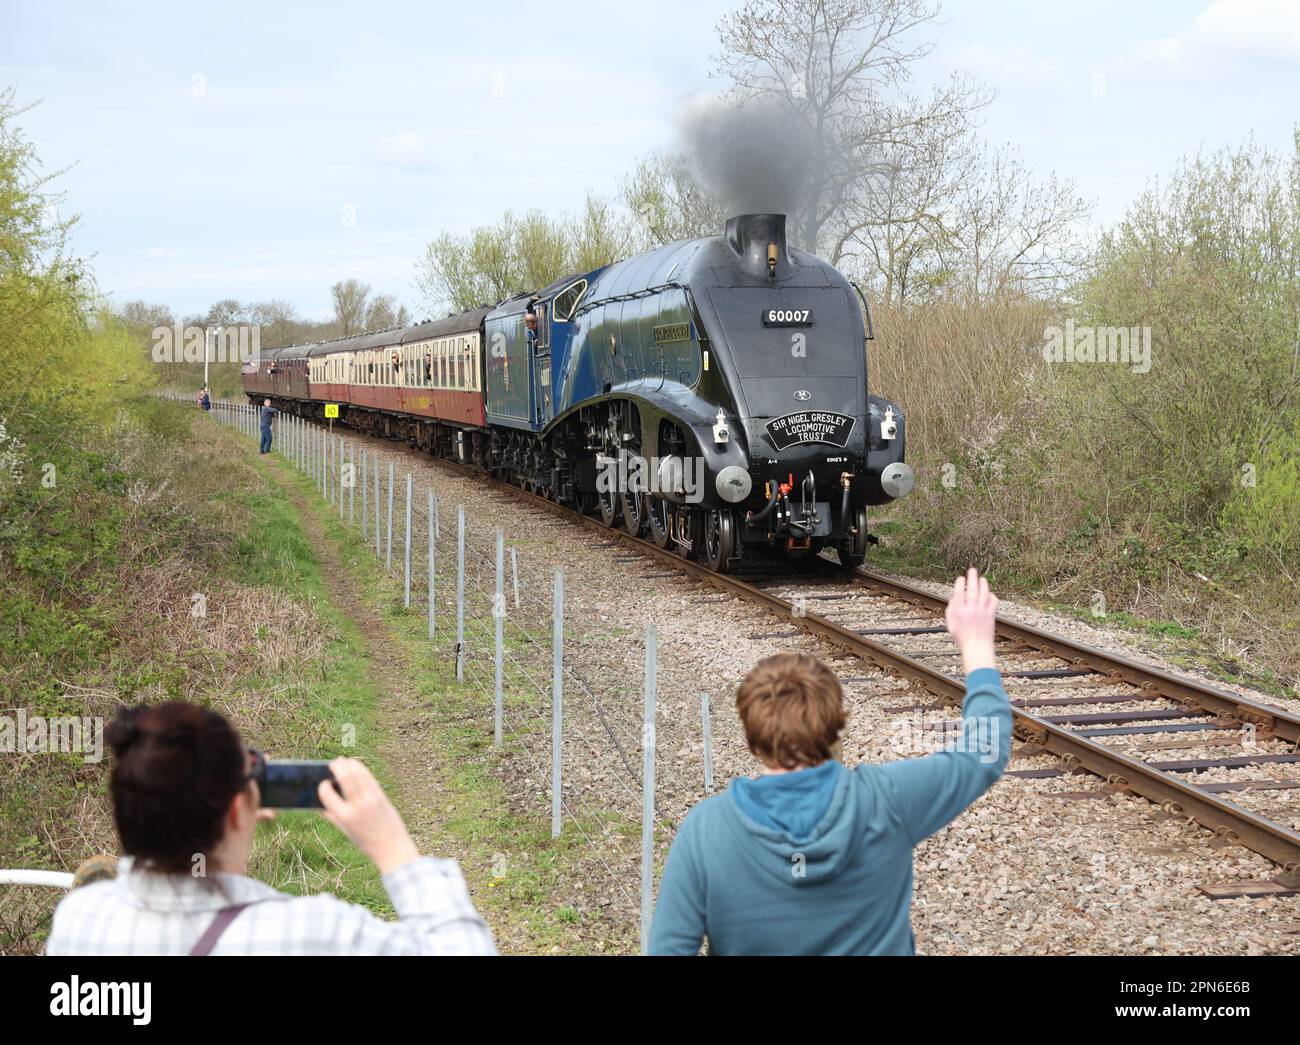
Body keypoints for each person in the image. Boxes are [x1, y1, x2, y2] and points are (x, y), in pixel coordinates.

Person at [648, 568, 1011, 956]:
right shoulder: (889, 801)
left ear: (753, 738)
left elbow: (669, 948)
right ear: (836, 725)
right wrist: (976, 646)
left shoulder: (706, 831)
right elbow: (983, 753)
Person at [45, 701, 496, 956]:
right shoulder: (311, 932)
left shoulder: (81, 917)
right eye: (254, 770)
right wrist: (394, 848)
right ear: (239, 809)